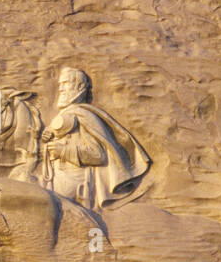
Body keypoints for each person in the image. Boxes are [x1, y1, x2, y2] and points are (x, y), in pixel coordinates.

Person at [41, 67, 151, 212]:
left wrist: (64, 151)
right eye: (60, 84)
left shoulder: (84, 115)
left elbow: (98, 156)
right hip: (55, 177)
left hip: (75, 183)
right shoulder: (65, 115)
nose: (60, 88)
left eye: (65, 83)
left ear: (79, 87)